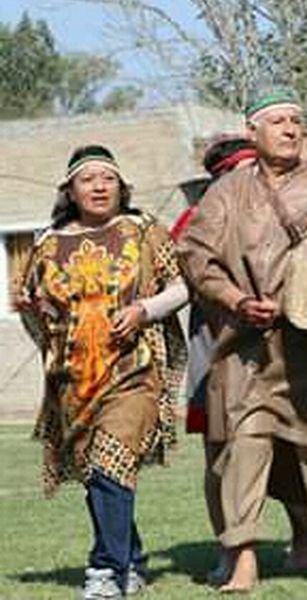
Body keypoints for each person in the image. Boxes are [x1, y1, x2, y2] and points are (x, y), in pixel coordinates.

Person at [178, 89, 307, 592]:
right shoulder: (226, 193)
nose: (291, 129)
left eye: (297, 120)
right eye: (278, 121)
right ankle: (243, 557)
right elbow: (194, 256)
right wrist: (235, 299)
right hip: (249, 345)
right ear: (254, 132)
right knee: (243, 446)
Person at [17, 145, 188, 599]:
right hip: (74, 379)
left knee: (112, 459)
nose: (98, 186)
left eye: (107, 178)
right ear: (70, 190)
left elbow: (181, 286)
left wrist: (144, 310)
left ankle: (105, 567)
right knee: (97, 474)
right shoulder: (47, 243)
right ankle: (130, 558)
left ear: (121, 186)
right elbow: (36, 310)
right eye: (87, 179)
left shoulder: (143, 230)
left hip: (134, 370)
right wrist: (42, 322)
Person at [171, 134, 307, 585]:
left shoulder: (290, 210)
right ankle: (231, 551)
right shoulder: (194, 221)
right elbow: (186, 275)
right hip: (218, 349)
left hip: (283, 348)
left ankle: (306, 542)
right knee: (220, 455)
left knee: (290, 450)